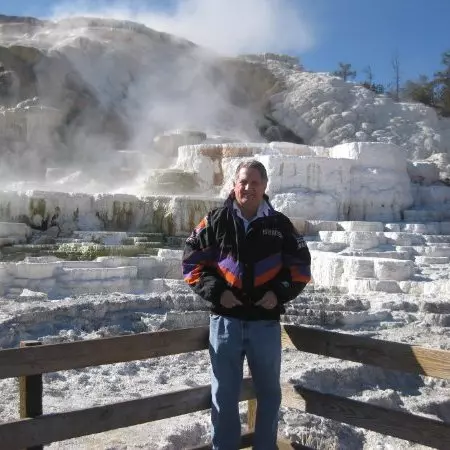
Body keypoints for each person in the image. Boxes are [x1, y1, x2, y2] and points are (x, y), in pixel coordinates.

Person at [182, 160, 311, 450]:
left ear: (265, 186)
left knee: (269, 395)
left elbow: (301, 268)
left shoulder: (280, 225)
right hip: (225, 323)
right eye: (243, 181)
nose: (248, 188)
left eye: (254, 182)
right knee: (224, 397)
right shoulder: (215, 221)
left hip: (264, 324)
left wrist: (278, 294)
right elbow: (191, 262)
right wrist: (217, 293)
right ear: (233, 185)